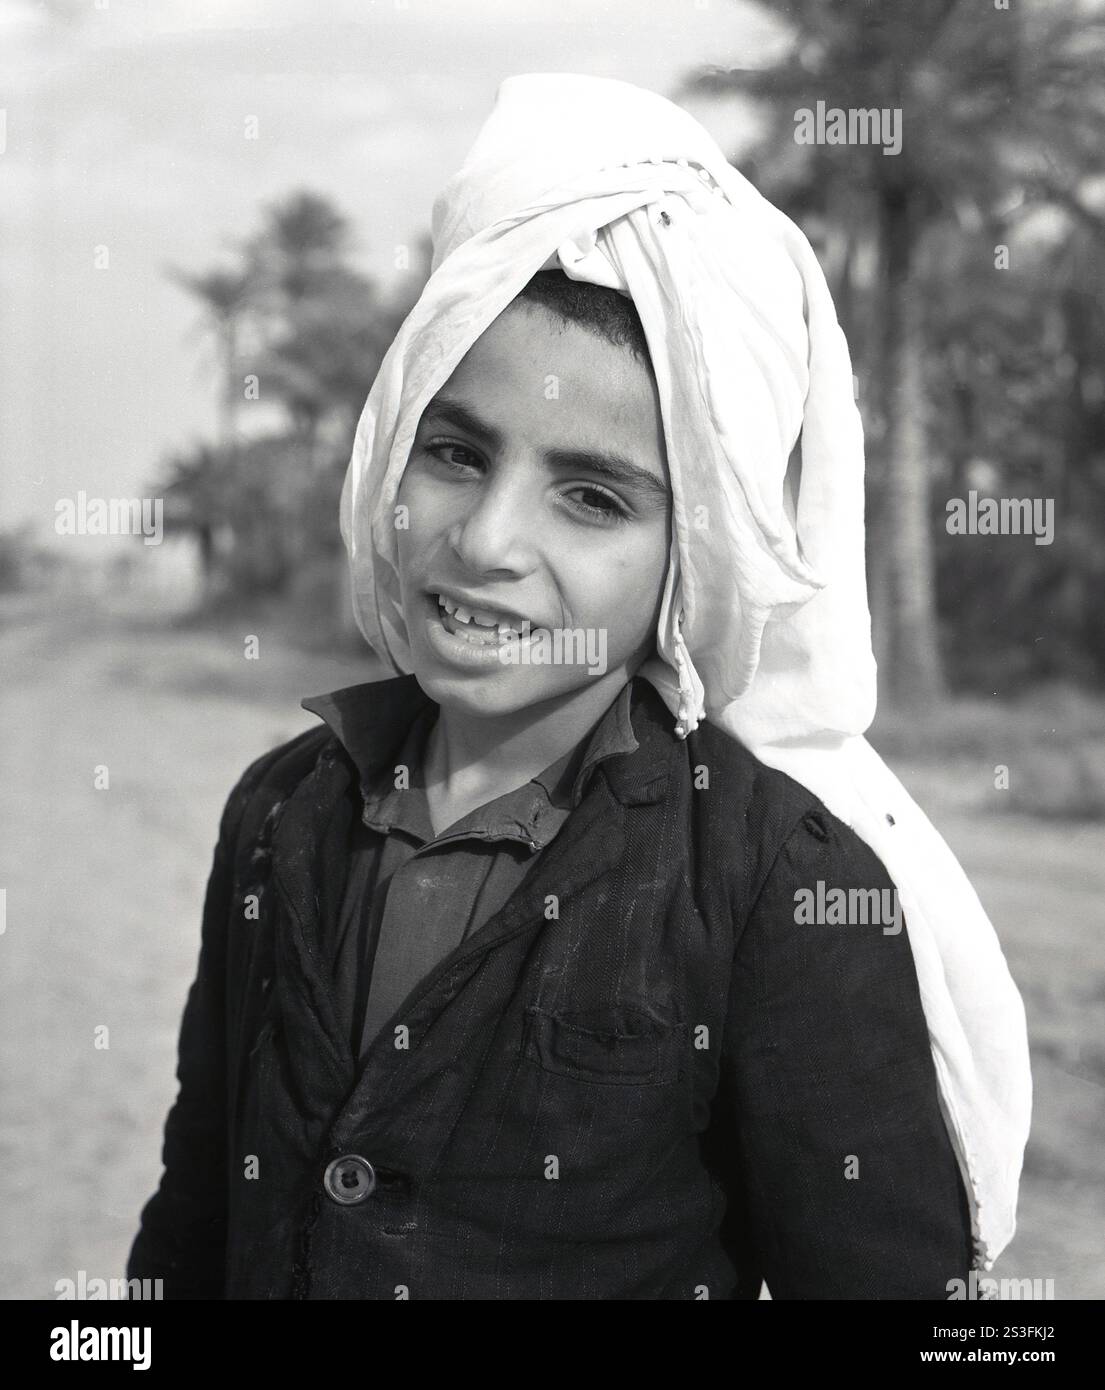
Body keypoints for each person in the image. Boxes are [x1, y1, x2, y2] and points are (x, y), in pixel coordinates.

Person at [127, 73, 1031, 1300]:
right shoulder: (278, 811)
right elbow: (193, 1212)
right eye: (455, 453)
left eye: (593, 496)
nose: (489, 539)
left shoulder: (777, 883)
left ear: (691, 553)